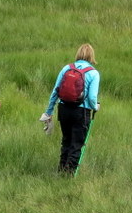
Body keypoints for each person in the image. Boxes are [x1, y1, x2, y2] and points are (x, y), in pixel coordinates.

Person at [41, 43, 100, 175]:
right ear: (92, 56)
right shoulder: (93, 73)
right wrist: (95, 106)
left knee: (66, 141)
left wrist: (49, 112)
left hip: (63, 109)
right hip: (81, 112)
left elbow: (55, 91)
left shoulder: (67, 68)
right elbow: (92, 97)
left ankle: (61, 171)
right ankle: (69, 175)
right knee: (77, 144)